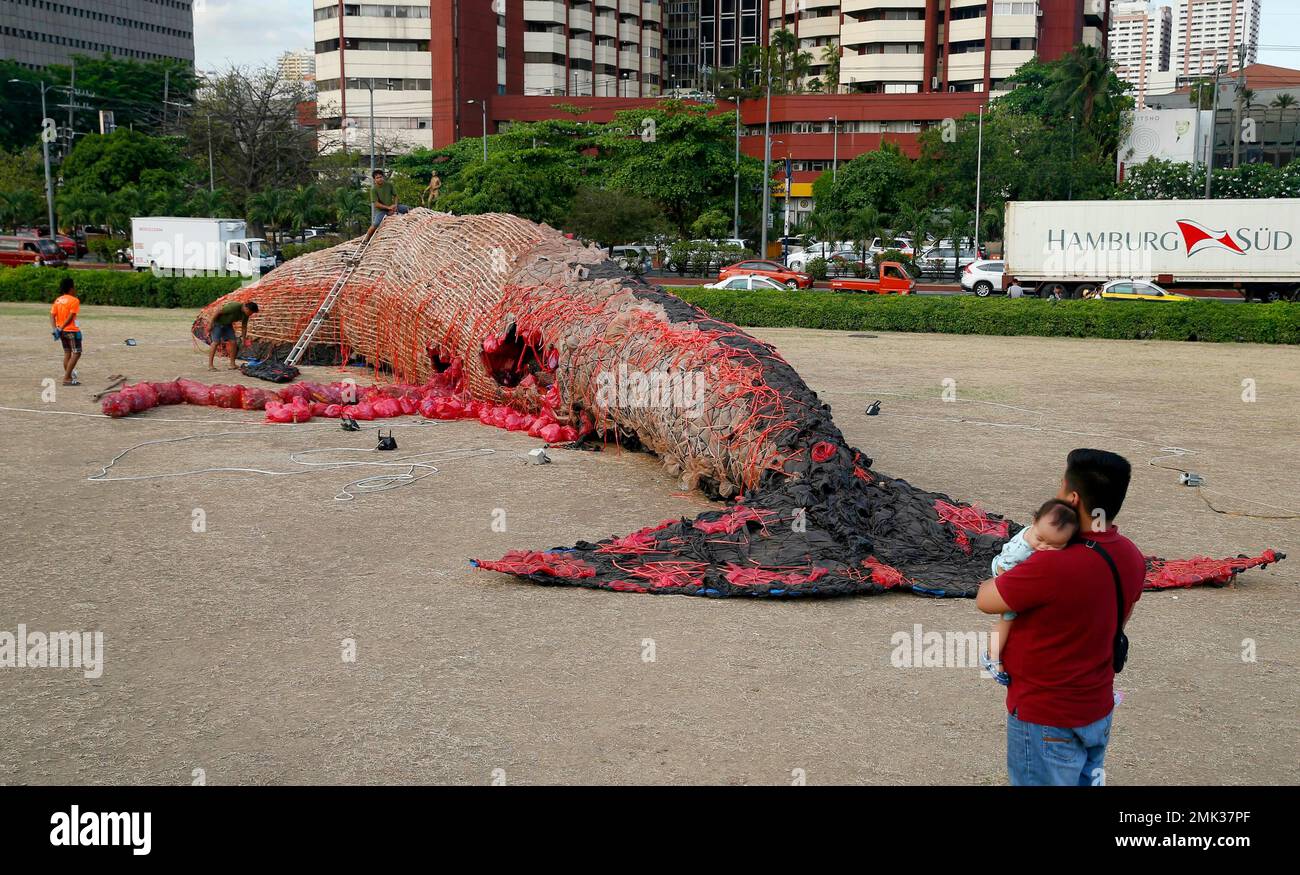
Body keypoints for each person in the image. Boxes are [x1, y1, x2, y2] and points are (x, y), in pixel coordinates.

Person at [976, 449, 1145, 786]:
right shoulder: (1130, 555)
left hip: (1046, 716)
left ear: (1072, 497)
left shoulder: (1051, 564)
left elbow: (986, 598)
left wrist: (1022, 549)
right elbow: (1116, 623)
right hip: (1096, 709)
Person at [981, 498, 1080, 685]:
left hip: (1022, 573)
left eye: (1054, 545)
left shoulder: (1043, 532)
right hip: (1006, 575)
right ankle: (992, 656)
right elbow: (1003, 570)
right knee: (1008, 618)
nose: (1043, 546)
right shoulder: (1019, 550)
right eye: (1041, 539)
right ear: (1034, 522)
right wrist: (1011, 597)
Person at [207, 300, 259, 371]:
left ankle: (232, 364)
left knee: (233, 342)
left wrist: (244, 339)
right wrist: (210, 324)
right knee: (216, 342)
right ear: (247, 308)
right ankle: (210, 366)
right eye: (251, 312)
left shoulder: (246, 314)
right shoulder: (234, 306)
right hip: (217, 323)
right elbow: (218, 311)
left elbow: (244, 327)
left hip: (227, 325)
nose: (251, 314)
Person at [363, 169, 409, 244]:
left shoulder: (389, 185)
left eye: (381, 177)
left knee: (407, 209)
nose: (380, 179)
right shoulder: (373, 189)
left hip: (393, 207)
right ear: (374, 179)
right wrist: (388, 208)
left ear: (383, 177)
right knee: (376, 224)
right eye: (377, 178)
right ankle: (366, 238)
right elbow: (376, 204)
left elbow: (396, 196)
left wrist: (395, 205)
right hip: (382, 211)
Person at [50, 276, 82, 386]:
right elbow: (70, 316)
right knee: (77, 353)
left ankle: (68, 376)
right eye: (74, 287)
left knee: (67, 352)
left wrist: (56, 329)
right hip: (71, 331)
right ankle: (67, 378)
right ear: (71, 288)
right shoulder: (74, 300)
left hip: (61, 332)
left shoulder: (58, 300)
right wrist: (62, 327)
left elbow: (51, 315)